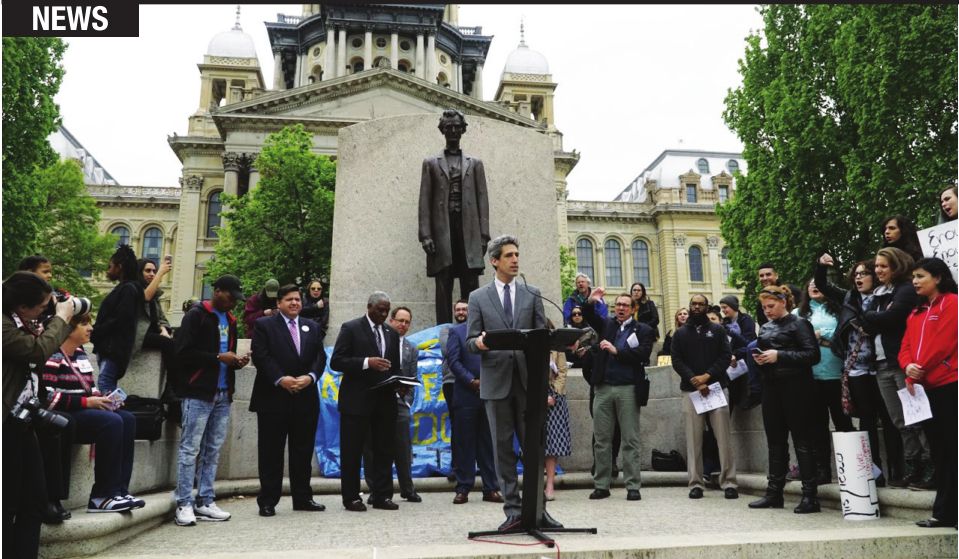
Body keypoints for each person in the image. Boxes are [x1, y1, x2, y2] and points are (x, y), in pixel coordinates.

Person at [466, 235, 560, 532]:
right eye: (509, 255)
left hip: (528, 383)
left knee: (534, 446)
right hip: (496, 384)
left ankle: (539, 512)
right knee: (502, 449)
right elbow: (469, 341)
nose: (515, 259)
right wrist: (478, 344)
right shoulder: (478, 298)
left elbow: (543, 340)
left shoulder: (533, 294)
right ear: (494, 261)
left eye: (517, 254)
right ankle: (513, 511)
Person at [40, 312, 146, 513]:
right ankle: (101, 497)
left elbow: (91, 387)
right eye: (83, 324)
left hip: (84, 411)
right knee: (111, 422)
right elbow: (48, 398)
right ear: (67, 329)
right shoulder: (52, 354)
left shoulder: (80, 353)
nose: (91, 328)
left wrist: (104, 400)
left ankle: (119, 491)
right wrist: (87, 402)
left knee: (128, 419)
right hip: (66, 413)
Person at [3, 271, 75, 559]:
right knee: (6, 504)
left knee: (35, 500)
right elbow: (37, 350)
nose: (46, 310)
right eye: (42, 306)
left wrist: (53, 317)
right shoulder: (4, 327)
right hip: (5, 424)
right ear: (21, 307)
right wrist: (61, 318)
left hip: (23, 420)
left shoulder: (21, 321)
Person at [173, 274, 251, 526]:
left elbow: (225, 357)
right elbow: (182, 354)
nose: (234, 303)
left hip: (223, 392)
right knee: (190, 449)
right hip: (197, 392)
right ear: (217, 291)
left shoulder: (230, 319)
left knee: (213, 449)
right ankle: (184, 502)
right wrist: (218, 357)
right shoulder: (196, 315)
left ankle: (205, 500)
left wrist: (236, 362)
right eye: (231, 297)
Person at [816, 256, 899, 487]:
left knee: (891, 420)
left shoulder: (887, 296)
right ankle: (874, 472)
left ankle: (898, 470)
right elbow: (823, 285)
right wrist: (821, 266)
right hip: (857, 368)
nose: (859, 277)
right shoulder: (850, 297)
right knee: (867, 420)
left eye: (864, 273)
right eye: (856, 274)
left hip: (882, 365)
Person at [251, 284, 328, 517]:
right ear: (279, 303)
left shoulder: (312, 327)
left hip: (305, 398)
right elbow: (261, 355)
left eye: (297, 299)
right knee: (271, 452)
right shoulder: (264, 325)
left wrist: (311, 377)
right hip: (273, 398)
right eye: (289, 300)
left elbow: (319, 357)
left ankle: (303, 498)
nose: (294, 303)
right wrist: (280, 378)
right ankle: (268, 501)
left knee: (302, 452)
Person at [863, 246, 933, 490]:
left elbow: (892, 319)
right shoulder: (880, 294)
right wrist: (873, 317)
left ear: (897, 266)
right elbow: (873, 324)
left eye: (884, 266)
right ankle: (914, 467)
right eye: (877, 266)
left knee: (917, 417)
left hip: (902, 363)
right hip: (882, 364)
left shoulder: (905, 290)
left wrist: (870, 316)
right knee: (899, 420)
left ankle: (930, 466)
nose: (878, 270)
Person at [748, 285, 822, 514]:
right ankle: (774, 493)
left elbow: (812, 355)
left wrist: (779, 355)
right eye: (764, 307)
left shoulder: (799, 323)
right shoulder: (766, 327)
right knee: (775, 441)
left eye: (770, 306)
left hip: (797, 386)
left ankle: (810, 496)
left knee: (802, 440)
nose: (767, 311)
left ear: (784, 302)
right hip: (772, 386)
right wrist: (761, 360)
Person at [330, 291, 402, 512]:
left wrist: (401, 382)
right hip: (357, 400)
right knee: (352, 451)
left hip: (385, 400)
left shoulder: (391, 332)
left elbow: (395, 366)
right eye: (380, 309)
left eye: (386, 310)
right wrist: (366, 362)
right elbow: (337, 361)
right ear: (369, 306)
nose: (383, 313)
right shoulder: (351, 328)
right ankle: (351, 497)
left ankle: (382, 495)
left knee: (384, 450)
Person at [581, 288, 654, 502]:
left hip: (628, 388)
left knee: (630, 439)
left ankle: (633, 485)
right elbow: (588, 314)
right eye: (618, 305)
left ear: (633, 309)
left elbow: (642, 354)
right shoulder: (607, 325)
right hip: (603, 388)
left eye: (625, 305)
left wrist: (617, 352)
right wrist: (591, 301)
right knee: (602, 439)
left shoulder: (643, 330)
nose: (620, 308)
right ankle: (602, 485)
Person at [900, 258, 958, 528]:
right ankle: (945, 512)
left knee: (954, 448)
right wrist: (907, 365)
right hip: (925, 389)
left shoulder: (953, 303)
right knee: (940, 452)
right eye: (913, 276)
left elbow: (945, 342)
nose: (915, 281)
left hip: (949, 383)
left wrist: (919, 368)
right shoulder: (915, 312)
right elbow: (905, 346)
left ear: (937, 277)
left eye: (920, 276)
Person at [418, 109, 490, 325]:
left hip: (469, 230)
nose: (452, 131)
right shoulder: (431, 163)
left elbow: (482, 200)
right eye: (448, 127)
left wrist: (484, 235)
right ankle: (442, 329)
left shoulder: (475, 163)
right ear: (442, 130)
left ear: (462, 130)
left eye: (456, 127)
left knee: (470, 280)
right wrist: (425, 235)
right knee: (443, 281)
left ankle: (473, 329)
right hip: (442, 230)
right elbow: (424, 201)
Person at [671, 295, 738, 500]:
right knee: (694, 439)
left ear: (707, 307)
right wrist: (694, 380)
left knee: (723, 438)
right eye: (694, 304)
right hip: (691, 390)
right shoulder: (680, 333)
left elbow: (725, 356)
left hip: (716, 388)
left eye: (701, 304)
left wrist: (707, 377)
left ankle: (729, 482)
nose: (697, 307)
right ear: (690, 307)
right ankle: (696, 483)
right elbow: (677, 360)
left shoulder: (718, 330)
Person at [794, 278, 855, 484]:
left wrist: (815, 337)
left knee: (843, 423)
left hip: (837, 376)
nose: (814, 286)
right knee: (817, 426)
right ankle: (822, 470)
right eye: (810, 284)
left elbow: (843, 333)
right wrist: (817, 338)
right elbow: (793, 340)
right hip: (810, 378)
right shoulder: (798, 314)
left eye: (818, 283)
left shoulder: (839, 310)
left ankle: (853, 469)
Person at [364, 306, 420, 503]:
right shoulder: (380, 340)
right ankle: (375, 490)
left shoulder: (411, 348)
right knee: (372, 448)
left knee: (403, 448)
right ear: (391, 320)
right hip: (376, 402)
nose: (403, 325)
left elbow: (413, 376)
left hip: (399, 403)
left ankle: (407, 488)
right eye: (400, 320)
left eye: (407, 322)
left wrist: (407, 399)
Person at [446, 306, 501, 505]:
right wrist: (471, 381)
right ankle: (463, 487)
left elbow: (500, 358)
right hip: (466, 394)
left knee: (488, 443)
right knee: (464, 443)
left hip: (491, 394)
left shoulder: (493, 332)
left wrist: (488, 381)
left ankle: (491, 487)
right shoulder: (457, 332)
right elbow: (453, 361)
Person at [92, 245, 144, 393]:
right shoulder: (127, 288)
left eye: (110, 266)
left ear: (119, 267)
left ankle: (113, 415)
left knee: (105, 384)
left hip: (113, 348)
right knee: (107, 384)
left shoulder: (128, 289)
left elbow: (121, 318)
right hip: (111, 347)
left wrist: (97, 332)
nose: (108, 271)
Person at [438, 299, 469, 483]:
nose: (461, 312)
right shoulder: (446, 331)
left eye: (464, 309)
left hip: (475, 382)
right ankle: (457, 467)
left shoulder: (477, 329)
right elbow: (449, 352)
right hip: (453, 382)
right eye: (458, 309)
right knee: (458, 426)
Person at [544, 342, 572, 502]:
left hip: (554, 397)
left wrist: (553, 394)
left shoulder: (557, 349)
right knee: (533, 442)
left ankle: (550, 485)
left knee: (552, 444)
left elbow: (562, 371)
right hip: (531, 395)